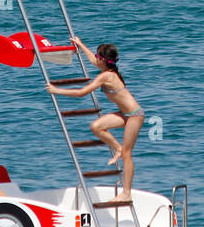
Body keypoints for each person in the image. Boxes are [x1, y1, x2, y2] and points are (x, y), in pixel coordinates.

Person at [47, 37, 144, 204]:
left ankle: (126, 193)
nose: (95, 59)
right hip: (125, 113)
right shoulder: (107, 70)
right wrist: (80, 44)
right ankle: (117, 148)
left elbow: (81, 93)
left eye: (98, 56)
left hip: (135, 115)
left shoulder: (107, 76)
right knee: (96, 126)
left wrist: (56, 90)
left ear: (103, 61)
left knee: (128, 155)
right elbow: (93, 59)